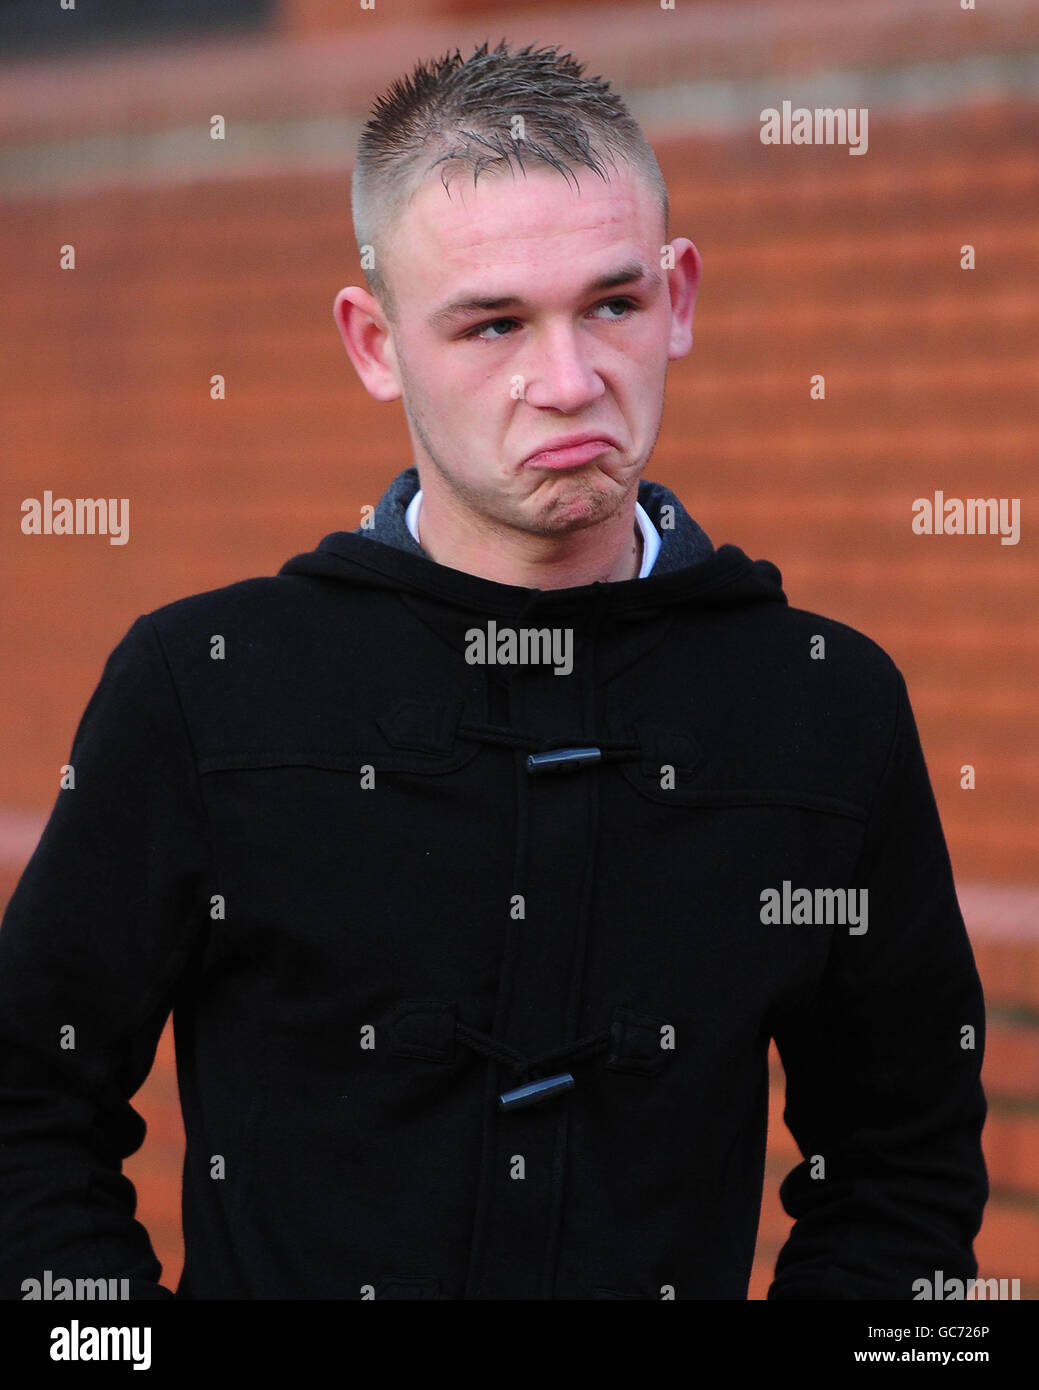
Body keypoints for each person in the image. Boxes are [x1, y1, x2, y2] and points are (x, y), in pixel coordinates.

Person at [0, 40, 986, 1301]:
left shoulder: (821, 705)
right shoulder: (206, 685)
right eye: (494, 323)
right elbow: (30, 1113)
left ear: (679, 298)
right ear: (374, 342)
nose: (569, 384)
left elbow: (902, 1160)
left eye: (612, 305)